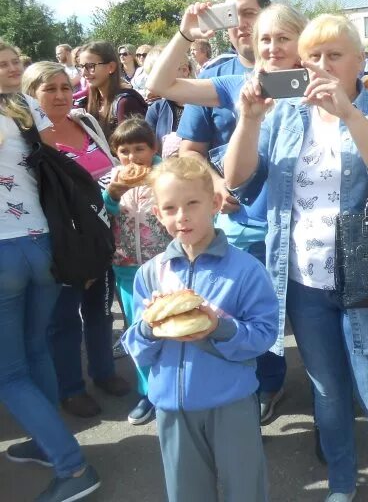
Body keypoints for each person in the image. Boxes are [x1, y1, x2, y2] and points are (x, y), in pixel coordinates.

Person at [224, 13, 368, 502]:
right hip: (305, 282)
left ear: (359, 60)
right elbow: (237, 180)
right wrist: (249, 120)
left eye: (335, 55)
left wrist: (350, 115)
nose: (322, 65)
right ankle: (341, 483)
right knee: (328, 397)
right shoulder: (285, 116)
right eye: (313, 56)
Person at [147, 0, 296, 424]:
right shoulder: (233, 82)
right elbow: (159, 87)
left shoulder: (311, 77)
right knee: (247, 313)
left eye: (253, 15)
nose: (243, 25)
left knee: (309, 325)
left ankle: (331, 405)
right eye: (233, 16)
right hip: (247, 220)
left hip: (305, 227)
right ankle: (264, 385)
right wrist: (183, 33)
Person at [122, 156, 277, 502]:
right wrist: (148, 328)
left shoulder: (246, 270)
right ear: (158, 216)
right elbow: (135, 343)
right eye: (170, 208)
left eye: (192, 203)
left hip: (231, 403)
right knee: (186, 493)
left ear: (215, 204)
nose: (182, 216)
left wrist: (217, 327)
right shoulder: (151, 273)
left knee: (245, 489)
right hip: (172, 408)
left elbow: (264, 335)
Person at [1, 42, 101, 502]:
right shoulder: (26, 114)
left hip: (5, 254)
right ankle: (46, 442)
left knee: (10, 374)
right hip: (42, 245)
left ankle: (72, 466)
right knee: (35, 349)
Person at [21, 62, 131, 418]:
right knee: (64, 319)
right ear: (30, 94)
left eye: (66, 88)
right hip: (61, 242)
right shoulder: (25, 138)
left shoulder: (86, 122)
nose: (60, 95)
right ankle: (70, 388)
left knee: (99, 311)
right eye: (49, 89)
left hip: (101, 234)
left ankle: (104, 372)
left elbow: (110, 163)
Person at [103, 118, 172, 424]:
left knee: (171, 328)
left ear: (153, 148)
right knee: (138, 332)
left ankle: (173, 386)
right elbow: (106, 214)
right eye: (124, 150)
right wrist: (114, 194)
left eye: (139, 149)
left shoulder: (167, 175)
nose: (132, 157)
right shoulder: (112, 178)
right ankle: (149, 393)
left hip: (166, 267)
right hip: (128, 270)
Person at [75, 41, 148, 139]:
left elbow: (131, 149)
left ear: (111, 67)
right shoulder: (88, 101)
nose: (84, 73)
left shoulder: (125, 102)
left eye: (90, 66)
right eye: (81, 67)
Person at [144, 48, 192, 157]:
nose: (155, 83)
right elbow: (148, 149)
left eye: (161, 75)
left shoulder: (205, 105)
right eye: (152, 77)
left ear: (185, 70)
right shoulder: (156, 109)